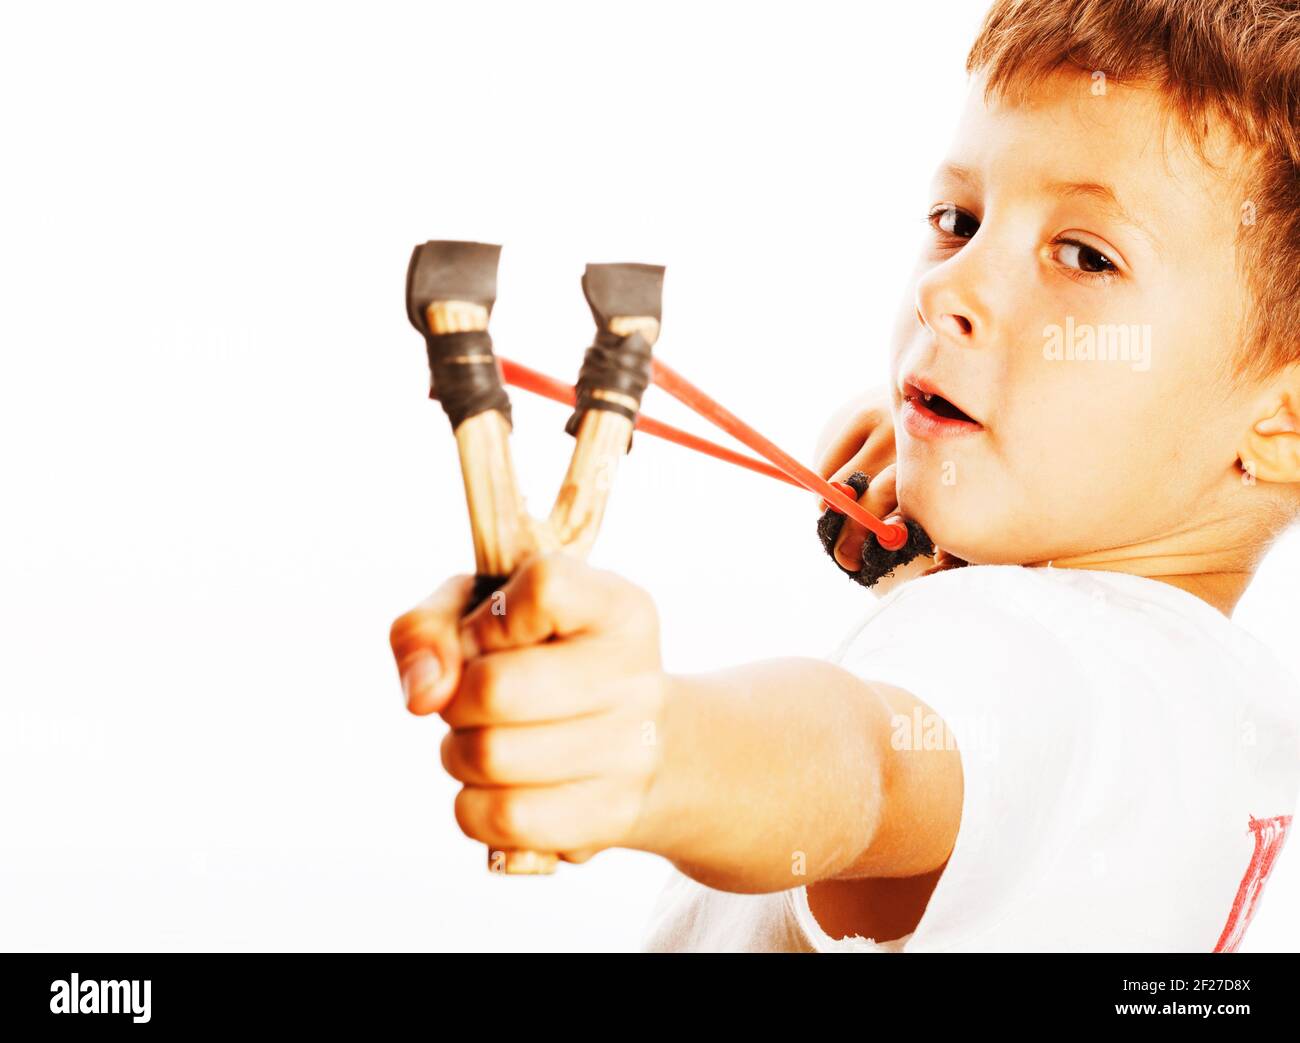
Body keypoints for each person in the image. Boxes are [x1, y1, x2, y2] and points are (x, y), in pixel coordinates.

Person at [388, 0, 1300, 951]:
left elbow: (868, 768)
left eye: (1084, 256)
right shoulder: (1231, 713)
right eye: (958, 220)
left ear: (1284, 416)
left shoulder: (1022, 651)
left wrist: (650, 742)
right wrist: (950, 466)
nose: (945, 288)